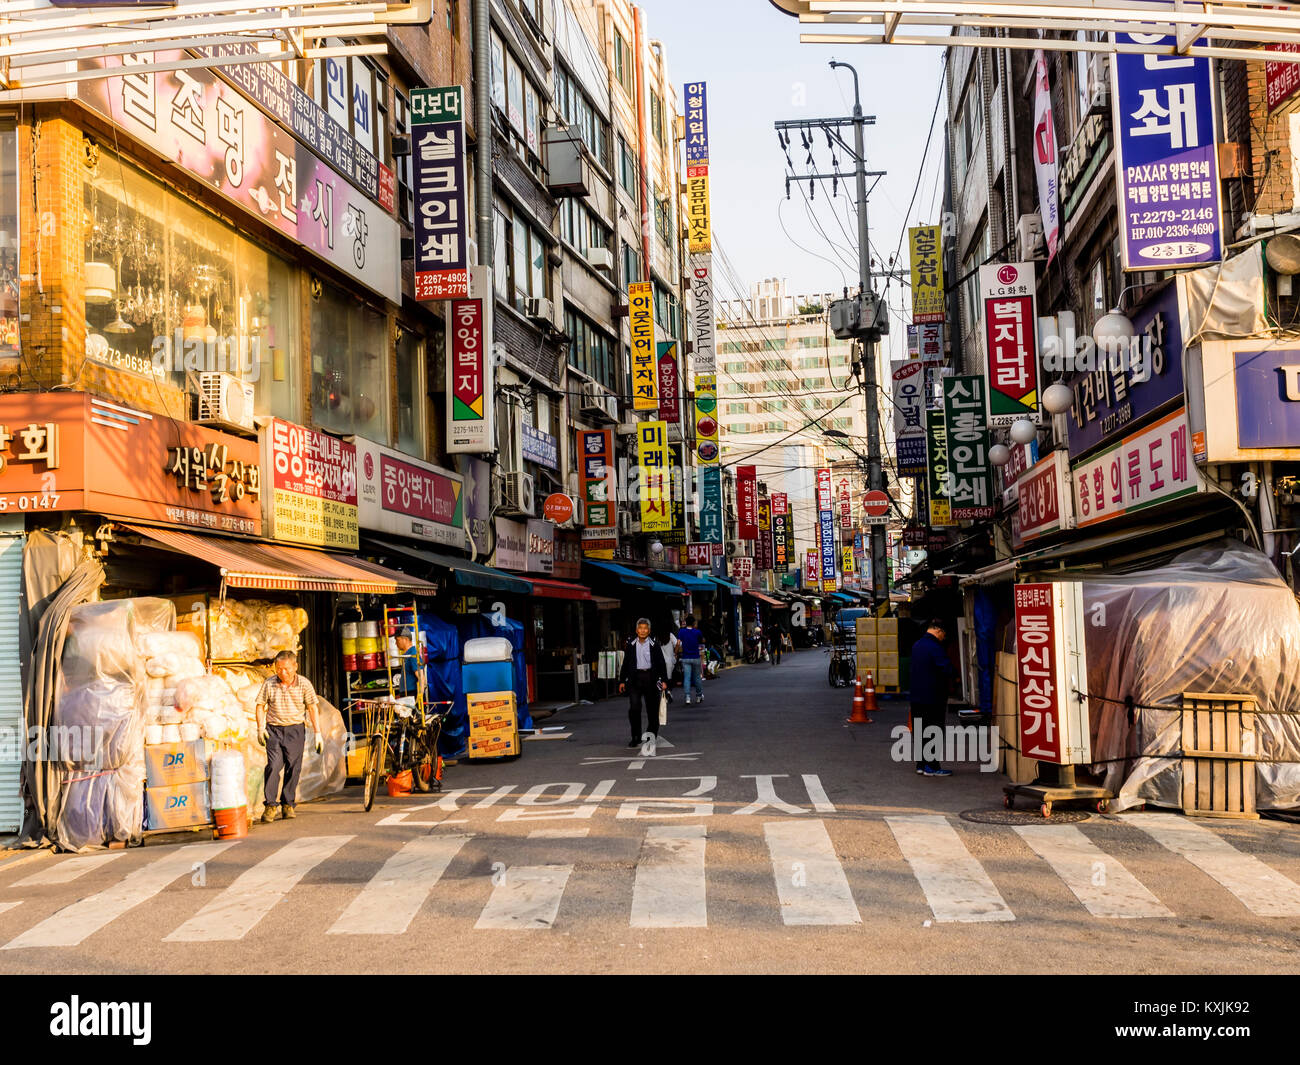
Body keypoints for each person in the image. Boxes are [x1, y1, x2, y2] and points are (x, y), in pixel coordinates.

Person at [255, 650, 323, 822]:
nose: (282, 673)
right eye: (278, 669)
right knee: (273, 766)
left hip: (295, 730)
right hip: (274, 730)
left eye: (286, 669)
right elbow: (260, 705)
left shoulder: (304, 684)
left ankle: (288, 804)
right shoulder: (269, 683)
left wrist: (318, 732)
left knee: (293, 768)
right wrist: (260, 728)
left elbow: (312, 708)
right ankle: (270, 805)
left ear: (295, 667)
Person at [910, 619, 955, 777]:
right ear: (938, 631)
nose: (944, 637)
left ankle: (921, 765)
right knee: (934, 731)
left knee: (920, 731)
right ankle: (932, 766)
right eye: (943, 634)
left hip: (916, 698)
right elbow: (947, 669)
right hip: (933, 698)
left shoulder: (917, 645)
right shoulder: (935, 647)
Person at [618, 617, 668, 748]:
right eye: (640, 628)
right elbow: (626, 663)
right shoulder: (631, 645)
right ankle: (635, 737)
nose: (643, 630)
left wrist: (664, 680)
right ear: (636, 630)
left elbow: (661, 663)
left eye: (645, 628)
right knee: (634, 708)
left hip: (651, 678)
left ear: (649, 630)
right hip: (635, 679)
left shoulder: (654, 645)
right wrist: (622, 680)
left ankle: (651, 736)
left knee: (652, 710)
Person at [676, 614, 705, 705]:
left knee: (687, 678)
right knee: (697, 677)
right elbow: (702, 641)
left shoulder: (681, 632)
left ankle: (687, 697)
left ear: (686, 623)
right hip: (696, 657)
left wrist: (675, 653)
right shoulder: (697, 632)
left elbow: (678, 643)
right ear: (693, 623)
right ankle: (698, 696)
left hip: (685, 658)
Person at [393, 628, 425, 701]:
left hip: (411, 694)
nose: (396, 643)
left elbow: (421, 677)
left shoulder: (413, 654)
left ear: (406, 639)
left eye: (397, 640)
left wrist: (419, 697)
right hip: (407, 694)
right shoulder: (407, 655)